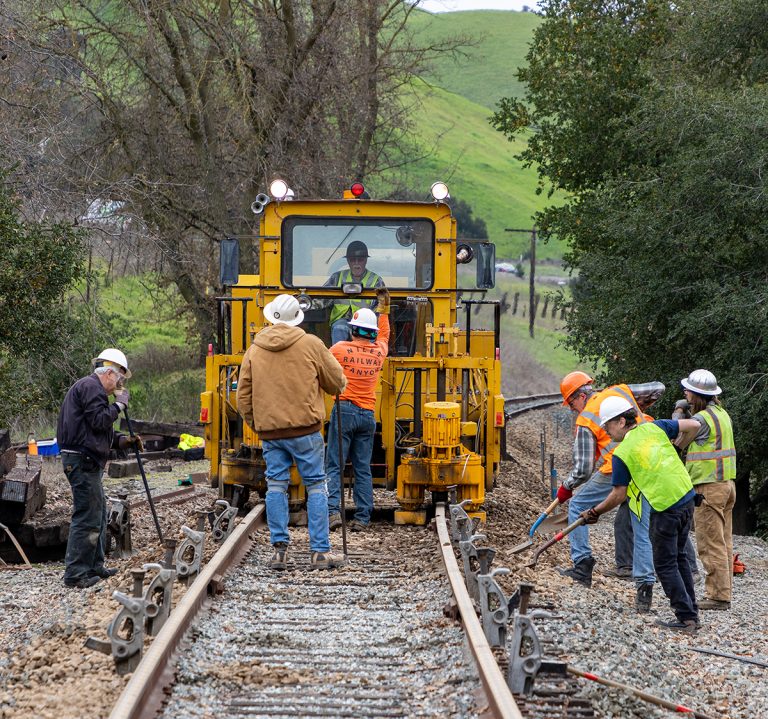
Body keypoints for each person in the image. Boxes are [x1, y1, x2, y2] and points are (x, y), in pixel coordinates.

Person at [236, 294, 347, 570]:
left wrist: (260, 423)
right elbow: (337, 383)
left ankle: (280, 551)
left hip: (272, 434)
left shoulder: (254, 350)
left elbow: (243, 398)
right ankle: (320, 552)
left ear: (271, 317)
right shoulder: (311, 344)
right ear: (298, 317)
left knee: (276, 486)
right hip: (307, 430)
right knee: (316, 485)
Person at [580, 396, 702, 633]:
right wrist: (678, 447)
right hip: (687, 497)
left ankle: (686, 618)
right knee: (679, 558)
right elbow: (694, 425)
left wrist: (594, 512)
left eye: (608, 425)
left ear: (623, 421)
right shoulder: (655, 428)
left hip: (666, 506)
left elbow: (617, 495)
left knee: (665, 564)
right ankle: (692, 614)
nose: (606, 430)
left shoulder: (622, 453)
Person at [556, 371, 665, 610]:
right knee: (641, 525)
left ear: (580, 396)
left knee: (577, 506)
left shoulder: (585, 420)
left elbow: (583, 470)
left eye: (571, 402)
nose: (572, 409)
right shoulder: (621, 391)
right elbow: (658, 386)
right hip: (648, 462)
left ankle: (582, 565)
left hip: (617, 468)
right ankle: (644, 589)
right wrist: (638, 408)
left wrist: (566, 487)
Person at [58, 348, 141, 589]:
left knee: (99, 512)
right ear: (108, 372)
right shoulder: (91, 387)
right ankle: (76, 573)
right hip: (81, 460)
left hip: (85, 459)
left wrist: (122, 440)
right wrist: (119, 406)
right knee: (87, 515)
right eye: (119, 377)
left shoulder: (92, 390)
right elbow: (99, 420)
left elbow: (97, 429)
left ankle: (95, 566)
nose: (119, 383)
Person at [326, 289, 390, 532]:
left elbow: (320, 365)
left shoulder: (339, 349)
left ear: (352, 329)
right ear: (371, 333)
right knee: (362, 468)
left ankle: (333, 512)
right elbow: (385, 335)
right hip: (367, 415)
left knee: (334, 465)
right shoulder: (379, 352)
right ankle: (363, 517)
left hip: (344, 411)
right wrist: (383, 311)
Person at [677, 369, 736, 611]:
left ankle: (718, 596)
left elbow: (679, 442)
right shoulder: (721, 414)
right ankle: (723, 590)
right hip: (727, 485)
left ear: (698, 394)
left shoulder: (700, 420)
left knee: (710, 542)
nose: (685, 393)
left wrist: (678, 412)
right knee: (724, 541)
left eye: (688, 390)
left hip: (709, 486)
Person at [325, 240, 385, 344]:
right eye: (353, 260)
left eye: (360, 259)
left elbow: (382, 306)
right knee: (339, 328)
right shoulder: (337, 278)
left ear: (365, 260)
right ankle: (337, 359)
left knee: (367, 334)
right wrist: (302, 304)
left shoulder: (376, 280)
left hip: (365, 323)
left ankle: (367, 359)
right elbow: (323, 298)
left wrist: (374, 320)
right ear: (348, 261)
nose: (356, 263)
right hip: (342, 320)